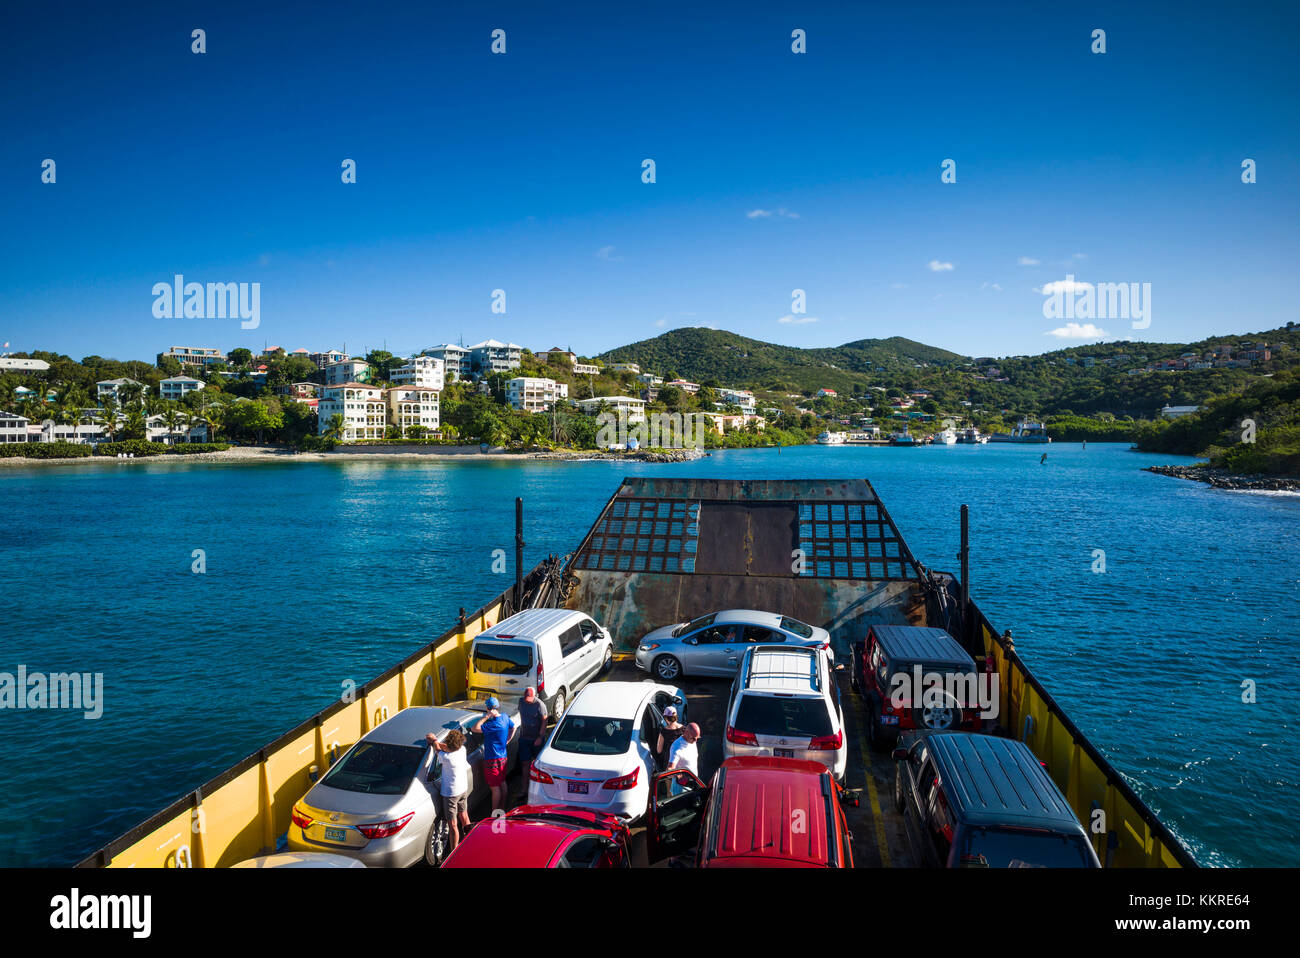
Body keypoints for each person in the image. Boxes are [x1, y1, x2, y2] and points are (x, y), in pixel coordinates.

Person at [427, 727, 471, 852]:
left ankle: (453, 853)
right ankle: (470, 843)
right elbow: (445, 747)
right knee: (464, 817)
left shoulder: (446, 758)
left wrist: (434, 739)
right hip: (463, 789)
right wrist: (436, 741)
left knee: (453, 826)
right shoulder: (462, 749)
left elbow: (437, 748)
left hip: (451, 794)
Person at [473, 696, 515, 813]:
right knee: (502, 782)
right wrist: (508, 739)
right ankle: (503, 806)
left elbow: (475, 728)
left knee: (495, 788)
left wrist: (486, 717)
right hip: (503, 756)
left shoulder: (492, 725)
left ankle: (494, 812)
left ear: (488, 708)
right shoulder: (505, 717)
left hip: (492, 760)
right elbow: (513, 727)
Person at [516, 686, 549, 791]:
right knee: (525, 763)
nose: (527, 700)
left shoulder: (539, 705)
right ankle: (524, 789)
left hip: (536, 739)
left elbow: (545, 720)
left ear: (534, 696)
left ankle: (537, 789)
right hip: (524, 738)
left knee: (537, 765)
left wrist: (540, 737)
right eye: (525, 697)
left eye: (529, 698)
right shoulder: (521, 702)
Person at [655, 705, 684, 770]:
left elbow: (659, 750)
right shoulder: (684, 729)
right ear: (676, 716)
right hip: (682, 763)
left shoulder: (663, 731)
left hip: (669, 763)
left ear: (666, 718)